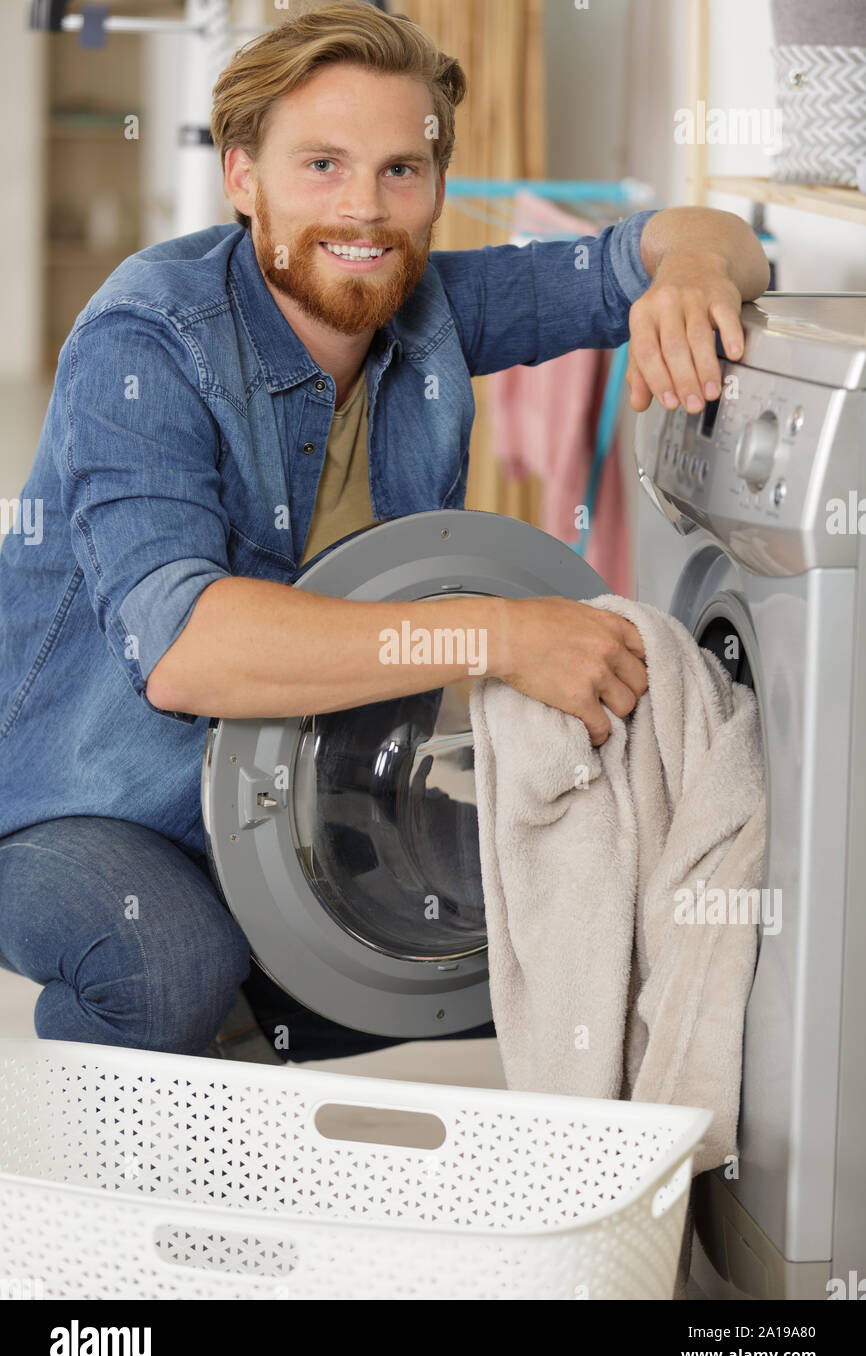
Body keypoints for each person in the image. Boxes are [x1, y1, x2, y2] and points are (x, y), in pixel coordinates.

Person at [0, 2, 770, 1062]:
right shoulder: (146, 338)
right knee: (165, 960)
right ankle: (89, 1180)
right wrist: (493, 635)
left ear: (437, 189)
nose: (363, 209)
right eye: (320, 164)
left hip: (285, 791)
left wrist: (690, 276)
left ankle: (253, 1022)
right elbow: (184, 651)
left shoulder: (423, 305)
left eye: (401, 170)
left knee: (565, 919)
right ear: (241, 178)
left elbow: (689, 239)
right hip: (72, 802)